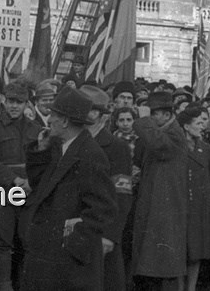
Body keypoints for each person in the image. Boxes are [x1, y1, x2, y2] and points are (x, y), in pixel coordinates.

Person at [22, 87, 117, 291]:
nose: (49, 120)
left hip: (68, 261)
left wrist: (72, 240)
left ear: (65, 121)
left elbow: (103, 208)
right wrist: (41, 150)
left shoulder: (90, 154)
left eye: (53, 116)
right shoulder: (59, 147)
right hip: (48, 252)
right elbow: (40, 186)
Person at [0, 81, 39, 291]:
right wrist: (15, 180)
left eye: (19, 102)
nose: (14, 106)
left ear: (26, 104)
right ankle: (5, 287)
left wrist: (30, 181)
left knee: (28, 242)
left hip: (29, 192)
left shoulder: (36, 129)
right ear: (4, 102)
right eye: (11, 101)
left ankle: (25, 285)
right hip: (3, 192)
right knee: (3, 243)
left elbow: (42, 162)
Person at [131, 90, 189, 289]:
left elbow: (157, 144)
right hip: (157, 206)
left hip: (164, 210)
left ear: (166, 114)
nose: (151, 117)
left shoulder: (175, 135)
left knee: (161, 266)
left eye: (154, 114)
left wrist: (143, 120)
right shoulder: (164, 132)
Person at [79, 86, 134, 291]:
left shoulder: (116, 147)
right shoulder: (70, 142)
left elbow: (122, 195)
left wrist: (110, 235)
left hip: (102, 231)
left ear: (98, 114)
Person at [178, 104, 210, 291]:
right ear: (186, 126)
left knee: (196, 253)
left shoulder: (206, 148)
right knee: (181, 252)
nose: (202, 126)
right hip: (182, 205)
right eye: (198, 123)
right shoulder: (177, 147)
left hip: (201, 206)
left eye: (203, 123)